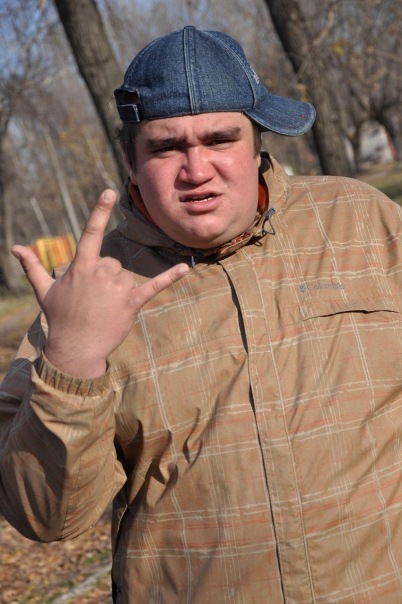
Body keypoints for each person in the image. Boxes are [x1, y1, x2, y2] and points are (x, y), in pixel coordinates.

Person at [1, 25, 401, 603]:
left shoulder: (362, 220)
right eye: (166, 147)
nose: (196, 170)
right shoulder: (80, 297)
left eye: (220, 139)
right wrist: (72, 361)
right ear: (131, 159)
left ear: (258, 142)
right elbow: (44, 517)